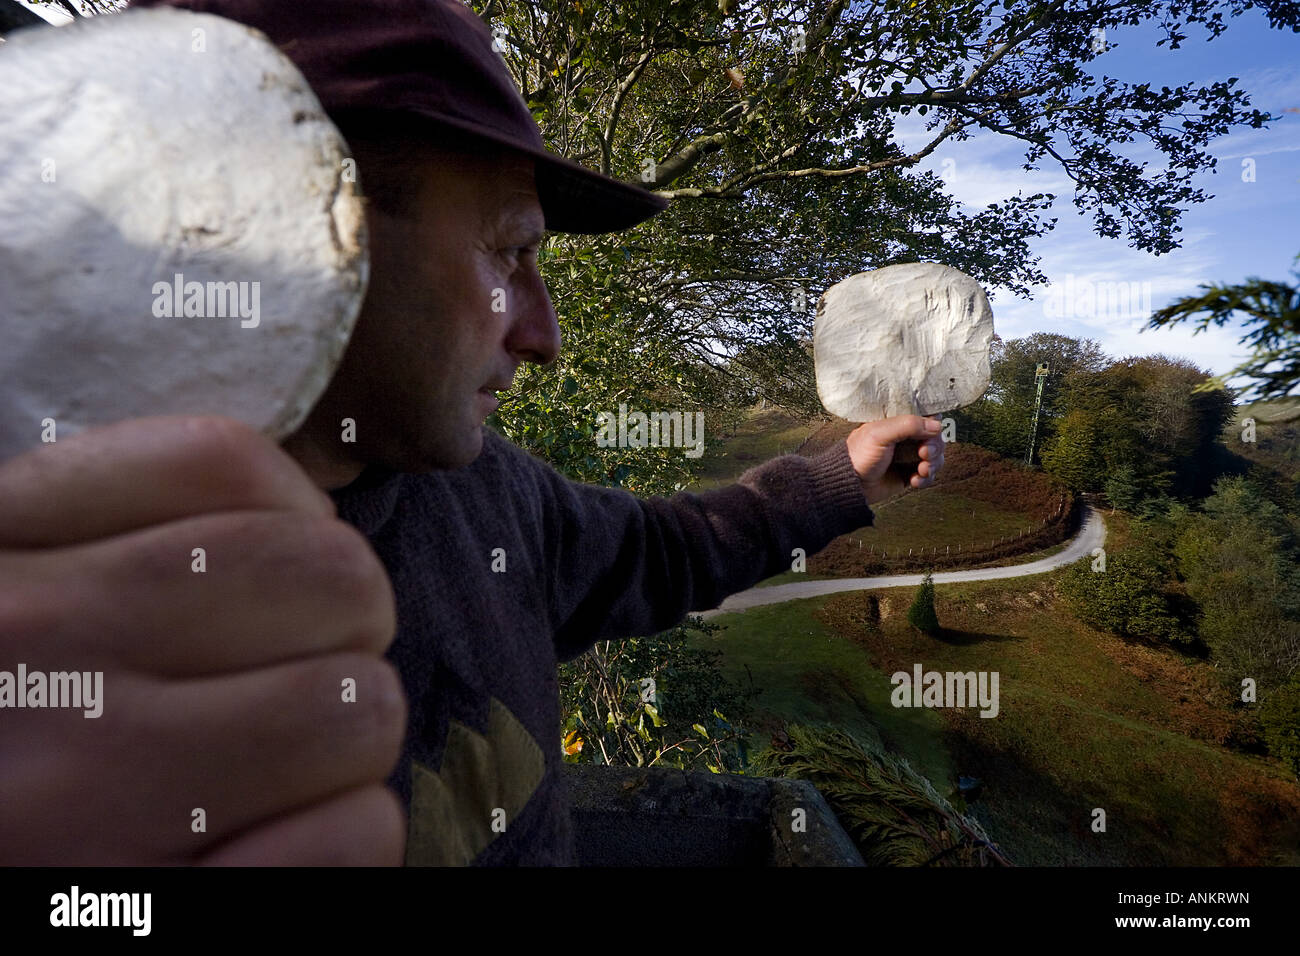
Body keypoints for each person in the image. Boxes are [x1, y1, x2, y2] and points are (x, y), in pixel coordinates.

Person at [0, 0, 943, 865]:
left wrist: (841, 478)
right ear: (285, 236)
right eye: (509, 251)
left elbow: (661, 551)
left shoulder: (492, 496)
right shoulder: (53, 613)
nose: (545, 337)